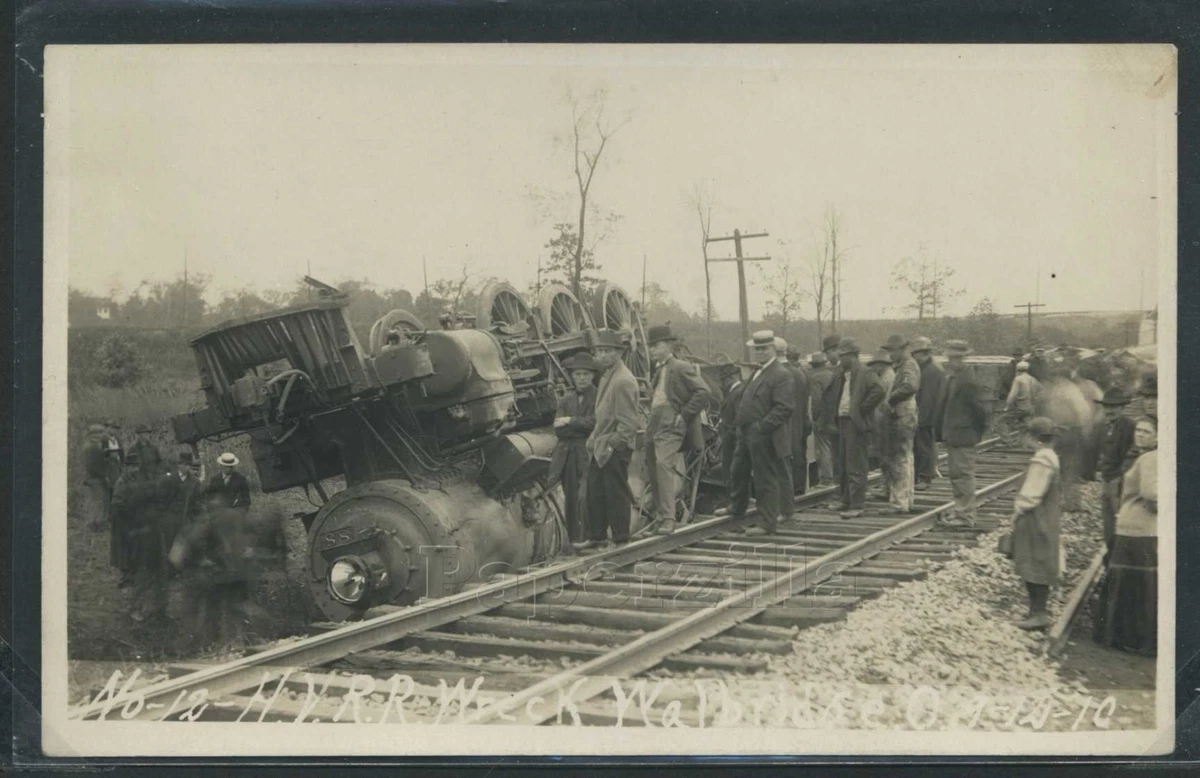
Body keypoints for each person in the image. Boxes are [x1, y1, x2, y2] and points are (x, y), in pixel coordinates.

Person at [1093, 416, 1158, 655]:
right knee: (1139, 584)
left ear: (1158, 436)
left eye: (1147, 432)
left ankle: (1125, 636)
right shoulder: (1145, 456)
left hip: (1138, 528)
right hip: (1139, 527)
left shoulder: (1150, 458)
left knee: (1131, 582)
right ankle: (1136, 637)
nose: (1140, 435)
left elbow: (1151, 494)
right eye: (1139, 430)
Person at [725, 330, 795, 535]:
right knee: (738, 471)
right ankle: (737, 507)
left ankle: (767, 522)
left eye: (764, 348)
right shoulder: (759, 371)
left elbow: (784, 408)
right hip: (746, 432)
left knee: (765, 478)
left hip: (764, 435)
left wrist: (761, 427)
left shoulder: (781, 374)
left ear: (773, 349)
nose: (760, 352)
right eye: (757, 349)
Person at [643, 324, 710, 535]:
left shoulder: (680, 367)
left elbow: (703, 392)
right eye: (650, 346)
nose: (652, 349)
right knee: (653, 467)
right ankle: (660, 517)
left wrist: (684, 415)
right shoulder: (658, 369)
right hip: (655, 423)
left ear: (668, 345)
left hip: (671, 423)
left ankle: (669, 520)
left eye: (656, 345)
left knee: (663, 465)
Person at [582, 330, 641, 549]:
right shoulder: (609, 375)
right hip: (602, 445)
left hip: (613, 447)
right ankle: (597, 536)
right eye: (599, 351)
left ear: (619, 353)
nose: (602, 355)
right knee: (596, 491)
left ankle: (621, 539)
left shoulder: (623, 380)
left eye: (607, 351)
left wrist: (614, 445)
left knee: (615, 493)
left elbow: (628, 422)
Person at [1006, 416, 1064, 630]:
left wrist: (1017, 511)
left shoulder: (1042, 459)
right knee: (1039, 560)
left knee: (1034, 561)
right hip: (1045, 517)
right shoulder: (1050, 456)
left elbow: (1032, 494)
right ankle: (1036, 610)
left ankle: (1039, 613)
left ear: (1034, 437)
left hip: (1036, 519)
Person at [543, 352, 598, 548]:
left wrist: (570, 421)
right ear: (572, 376)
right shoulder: (566, 399)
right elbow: (558, 428)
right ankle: (575, 539)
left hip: (589, 452)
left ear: (592, 375)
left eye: (585, 374)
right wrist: (578, 425)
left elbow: (595, 423)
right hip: (568, 452)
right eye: (577, 374)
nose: (581, 378)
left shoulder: (599, 396)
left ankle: (592, 537)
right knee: (571, 497)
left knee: (587, 494)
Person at [829, 338, 885, 519]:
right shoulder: (843, 374)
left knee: (856, 464)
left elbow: (879, 390)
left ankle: (857, 504)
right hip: (843, 422)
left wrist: (862, 409)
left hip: (855, 423)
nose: (839, 359)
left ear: (852, 356)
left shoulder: (864, 372)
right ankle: (846, 500)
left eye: (842, 356)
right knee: (843, 462)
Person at [936, 340, 988, 527]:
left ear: (962, 359)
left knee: (963, 475)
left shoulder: (968, 381)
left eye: (955, 358)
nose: (951, 362)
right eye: (950, 358)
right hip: (955, 435)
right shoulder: (955, 378)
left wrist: (973, 433)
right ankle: (961, 510)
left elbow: (979, 412)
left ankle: (965, 515)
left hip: (963, 436)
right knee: (957, 475)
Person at [1095, 387, 1137, 559]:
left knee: (1118, 519)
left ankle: (1119, 557)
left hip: (1118, 480)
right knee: (1108, 520)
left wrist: (1121, 477)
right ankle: (1111, 556)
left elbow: (1133, 453)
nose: (1109, 410)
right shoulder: (1106, 426)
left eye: (1114, 407)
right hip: (1107, 479)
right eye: (1107, 407)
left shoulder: (1129, 426)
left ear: (1122, 408)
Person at [882, 334, 921, 515]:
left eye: (892, 350)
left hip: (902, 415)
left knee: (899, 459)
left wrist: (890, 399)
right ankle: (906, 500)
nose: (890, 354)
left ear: (901, 349)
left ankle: (899, 503)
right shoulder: (906, 365)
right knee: (905, 458)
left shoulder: (908, 365)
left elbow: (910, 386)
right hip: (905, 414)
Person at [778, 339, 811, 500]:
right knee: (799, 452)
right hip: (801, 417)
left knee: (785, 454)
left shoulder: (780, 374)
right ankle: (799, 488)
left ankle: (786, 492)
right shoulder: (801, 374)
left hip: (785, 419)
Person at [911, 337, 944, 492]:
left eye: (915, 354)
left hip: (926, 416)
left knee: (923, 447)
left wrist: (922, 419)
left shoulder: (930, 371)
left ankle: (925, 477)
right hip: (924, 414)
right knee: (921, 447)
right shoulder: (927, 368)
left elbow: (928, 398)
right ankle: (920, 476)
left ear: (921, 353)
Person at [82, 423, 121, 531]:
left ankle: (97, 523)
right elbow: (94, 466)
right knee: (98, 501)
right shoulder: (91, 447)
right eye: (96, 434)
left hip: (95, 477)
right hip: (95, 478)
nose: (99, 436)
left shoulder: (94, 446)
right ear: (91, 435)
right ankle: (94, 524)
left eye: (100, 433)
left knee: (100, 500)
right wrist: (105, 476)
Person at [807, 350, 835, 487]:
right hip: (836, 416)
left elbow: (816, 400)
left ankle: (826, 478)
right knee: (833, 446)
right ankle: (834, 476)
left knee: (823, 447)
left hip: (823, 417)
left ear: (813, 365)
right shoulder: (833, 375)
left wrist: (815, 417)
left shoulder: (815, 378)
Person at [866, 351, 894, 474]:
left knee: (884, 452)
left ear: (881, 365)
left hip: (884, 418)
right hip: (883, 417)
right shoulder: (887, 376)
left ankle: (886, 482)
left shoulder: (886, 378)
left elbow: (884, 401)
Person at [1004, 361, 1042, 443]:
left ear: (1017, 370)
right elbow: (1041, 389)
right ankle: (1023, 443)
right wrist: (1034, 399)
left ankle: (1007, 442)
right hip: (1030, 408)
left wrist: (1007, 406)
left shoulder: (1018, 379)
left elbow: (1012, 395)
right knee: (1025, 426)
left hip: (1020, 407)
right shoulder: (1032, 379)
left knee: (1000, 422)